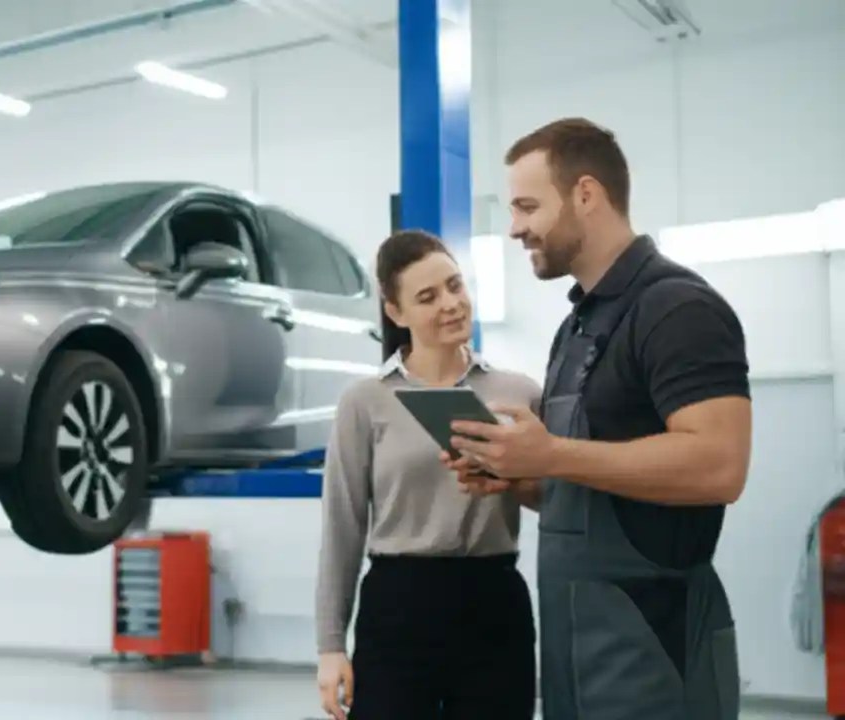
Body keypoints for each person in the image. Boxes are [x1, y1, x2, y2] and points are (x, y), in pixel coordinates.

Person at [445, 117, 752, 719]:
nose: (514, 229)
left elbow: (720, 465)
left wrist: (553, 455)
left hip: (655, 654)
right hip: (576, 654)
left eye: (527, 207)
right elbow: (595, 485)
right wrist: (520, 477)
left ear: (586, 194)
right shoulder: (579, 326)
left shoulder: (676, 308)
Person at [315, 229, 541, 720]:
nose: (451, 304)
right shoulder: (366, 401)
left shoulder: (519, 394)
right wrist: (331, 647)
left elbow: (557, 495)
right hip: (398, 605)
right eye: (428, 296)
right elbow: (342, 529)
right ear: (396, 313)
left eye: (456, 286)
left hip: (493, 601)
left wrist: (513, 478)